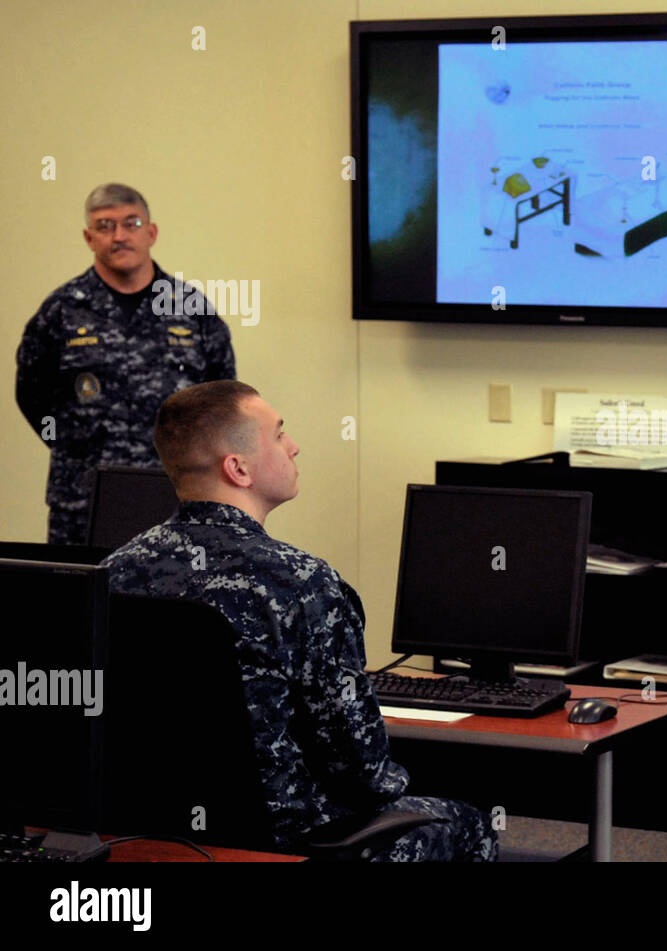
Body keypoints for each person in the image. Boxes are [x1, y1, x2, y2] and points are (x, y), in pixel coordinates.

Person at [101, 380, 497, 861]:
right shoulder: (303, 583)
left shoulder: (113, 570)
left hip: (136, 822)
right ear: (238, 468)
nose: (294, 446)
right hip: (285, 836)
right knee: (469, 820)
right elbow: (362, 769)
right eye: (279, 434)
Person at [16, 183, 236, 545]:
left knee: (166, 602)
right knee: (79, 601)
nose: (118, 236)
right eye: (104, 226)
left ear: (151, 233)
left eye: (131, 223)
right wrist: (72, 448)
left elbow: (221, 398)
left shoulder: (191, 307)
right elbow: (30, 393)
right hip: (82, 499)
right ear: (88, 237)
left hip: (174, 498)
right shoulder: (61, 311)